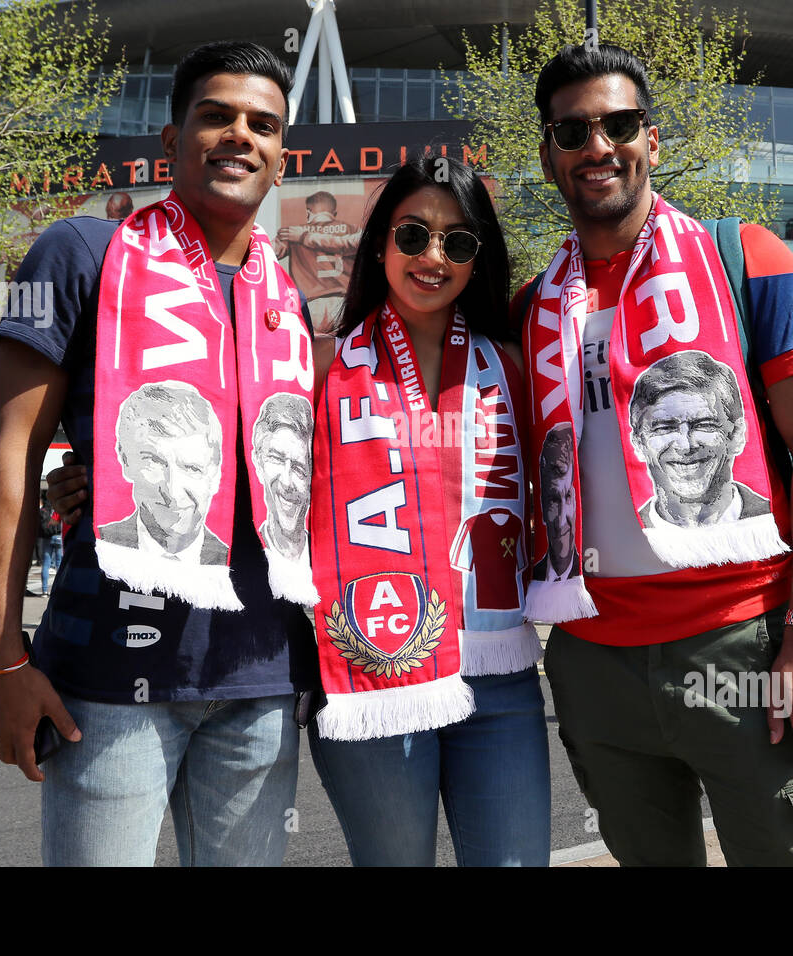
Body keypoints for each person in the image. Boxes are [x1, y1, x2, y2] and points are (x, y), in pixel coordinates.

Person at [0, 41, 319, 866]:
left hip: (259, 680)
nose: (240, 135)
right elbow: (9, 460)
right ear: (170, 142)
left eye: (261, 124)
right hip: (108, 679)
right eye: (216, 116)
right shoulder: (79, 253)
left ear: (280, 159)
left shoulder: (290, 304)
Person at [516, 44, 793, 866]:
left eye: (619, 124)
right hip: (595, 662)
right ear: (549, 153)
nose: (598, 146)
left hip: (746, 646)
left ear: (652, 141)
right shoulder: (531, 307)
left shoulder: (746, 258)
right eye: (573, 131)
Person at [304, 155, 549, 866]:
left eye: (458, 241)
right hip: (375, 667)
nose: (433, 257)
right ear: (379, 243)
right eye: (413, 235)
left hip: (498, 673)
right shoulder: (320, 364)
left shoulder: (514, 362)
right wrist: (83, 475)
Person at [628, 352, 772, 529]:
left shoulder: (775, 519)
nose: (685, 446)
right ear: (638, 443)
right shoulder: (624, 532)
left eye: (704, 425)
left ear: (737, 434)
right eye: (665, 428)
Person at [96, 382, 229, 563]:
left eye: (192, 468)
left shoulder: (236, 561)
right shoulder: (100, 546)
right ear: (126, 459)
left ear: (215, 475)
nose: (172, 493)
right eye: (154, 462)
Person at [274, 190, 361, 334]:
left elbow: (266, 252)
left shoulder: (291, 233)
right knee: (345, 352)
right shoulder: (353, 230)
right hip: (344, 304)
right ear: (334, 213)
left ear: (309, 212)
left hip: (309, 306)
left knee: (309, 353)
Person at [250, 393, 312, 563]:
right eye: (276, 459)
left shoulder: (329, 557)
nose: (286, 482)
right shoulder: (242, 554)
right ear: (258, 462)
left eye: (299, 468)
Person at [532, 424, 580, 581]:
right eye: (553, 501)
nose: (560, 522)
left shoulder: (592, 575)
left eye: (567, 497)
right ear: (542, 504)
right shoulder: (530, 579)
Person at [36, 492, 61, 594]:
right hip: (58, 537)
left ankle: (45, 591)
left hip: (47, 538)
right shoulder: (59, 506)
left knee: (46, 564)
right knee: (59, 564)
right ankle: (58, 590)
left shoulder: (44, 509)